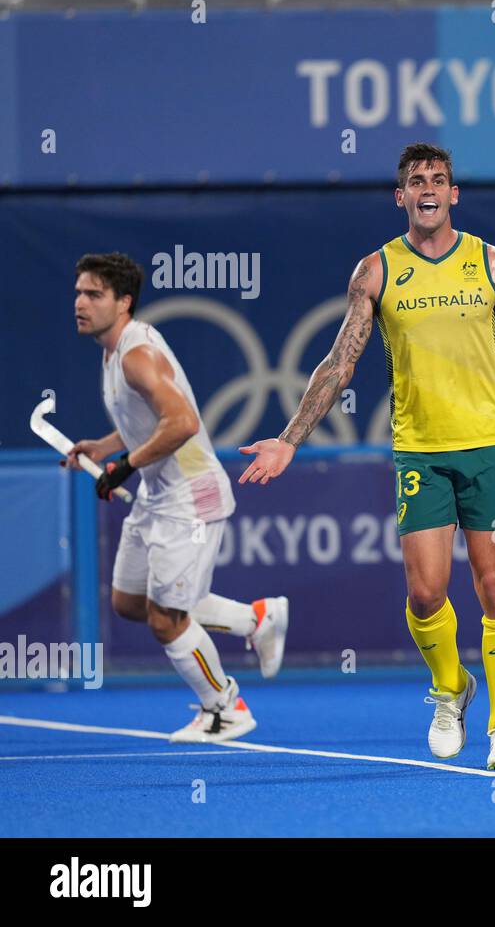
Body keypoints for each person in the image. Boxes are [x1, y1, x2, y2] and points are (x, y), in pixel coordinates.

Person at [238, 143, 495, 769]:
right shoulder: (376, 271)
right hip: (420, 452)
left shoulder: (491, 264)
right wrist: (289, 438)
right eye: (417, 181)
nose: (429, 188)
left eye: (439, 179)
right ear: (401, 196)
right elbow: (340, 362)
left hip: (487, 446)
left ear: (455, 193)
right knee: (425, 594)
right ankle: (451, 687)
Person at [67, 252, 289, 742]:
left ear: (123, 302)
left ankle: (225, 707)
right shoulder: (112, 351)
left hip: (193, 495)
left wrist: (125, 464)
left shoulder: (135, 354)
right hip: (158, 493)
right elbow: (141, 420)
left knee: (166, 619)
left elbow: (183, 422)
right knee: (131, 602)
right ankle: (256, 619)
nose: (80, 302)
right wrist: (103, 447)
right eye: (79, 292)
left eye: (94, 294)